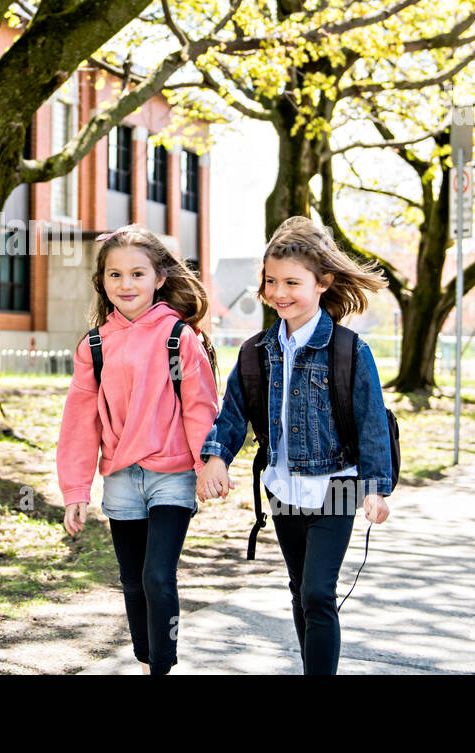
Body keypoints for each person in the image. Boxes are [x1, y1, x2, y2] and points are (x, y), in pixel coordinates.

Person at [197, 216, 394, 675]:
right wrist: (214, 458)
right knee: (298, 587)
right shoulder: (256, 352)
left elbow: (371, 424)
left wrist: (377, 487)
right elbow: (231, 415)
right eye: (270, 281)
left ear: (323, 282)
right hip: (283, 488)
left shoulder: (349, 351)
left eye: (292, 282)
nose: (279, 292)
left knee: (319, 593)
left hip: (339, 485)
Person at [56, 224, 219, 675]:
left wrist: (207, 463)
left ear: (159, 279)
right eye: (114, 275)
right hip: (121, 479)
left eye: (137, 274)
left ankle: (163, 667)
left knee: (157, 577)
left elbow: (200, 408)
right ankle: (150, 662)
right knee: (131, 583)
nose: (126, 285)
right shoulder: (94, 345)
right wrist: (75, 491)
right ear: (102, 282)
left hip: (173, 475)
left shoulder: (179, 337)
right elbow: (79, 422)